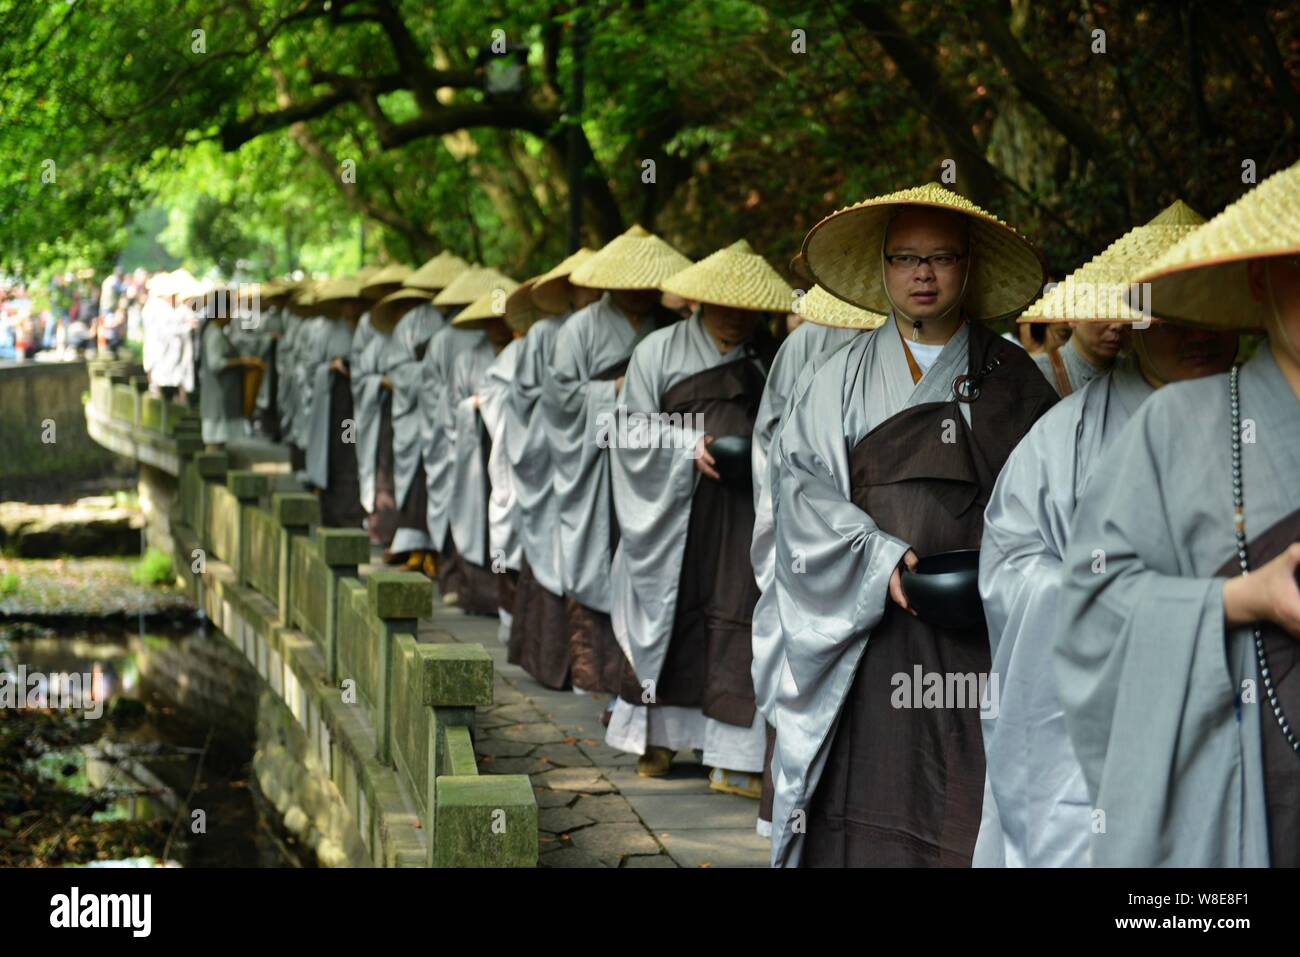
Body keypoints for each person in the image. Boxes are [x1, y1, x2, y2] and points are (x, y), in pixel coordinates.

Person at [767, 183, 1057, 866]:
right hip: (871, 623)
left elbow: (1055, 501)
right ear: (884, 267)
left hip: (981, 631)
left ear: (969, 267)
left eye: (941, 258)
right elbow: (799, 488)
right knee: (869, 795)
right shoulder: (836, 377)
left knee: (967, 798)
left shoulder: (1014, 379)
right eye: (905, 258)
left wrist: (1003, 575)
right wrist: (875, 557)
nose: (923, 274)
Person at [974, 200, 1241, 867]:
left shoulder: (1269, 422)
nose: (1200, 331)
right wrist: (1108, 600)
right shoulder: (1064, 436)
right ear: (1137, 317)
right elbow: (1010, 566)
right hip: (1102, 727)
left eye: (1214, 308)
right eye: (1176, 313)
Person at [1056, 160, 1300, 866]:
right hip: (1238, 789)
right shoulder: (1177, 425)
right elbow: (1092, 608)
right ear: (1257, 278)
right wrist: (1238, 598)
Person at [605, 239, 785, 791]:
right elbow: (624, 428)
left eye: (746, 309)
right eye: (725, 307)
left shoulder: (766, 356)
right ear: (702, 302)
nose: (736, 318)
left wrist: (757, 454)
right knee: (669, 611)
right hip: (671, 511)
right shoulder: (658, 350)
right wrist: (688, 444)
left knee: (738, 614)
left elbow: (788, 426)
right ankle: (655, 738)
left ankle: (730, 756)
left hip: (744, 505)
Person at [750, 284, 885, 835]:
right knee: (810, 662)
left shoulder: (971, 366)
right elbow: (778, 444)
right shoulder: (809, 350)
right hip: (823, 542)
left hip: (907, 561)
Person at [544, 225, 689, 703]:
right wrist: (613, 391)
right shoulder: (580, 328)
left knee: (651, 556)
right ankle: (602, 678)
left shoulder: (670, 329)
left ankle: (642, 681)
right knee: (604, 553)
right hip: (600, 465)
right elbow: (559, 400)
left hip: (655, 464)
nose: (643, 291)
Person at [506, 250, 600, 689]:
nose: (591, 291)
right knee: (554, 545)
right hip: (551, 451)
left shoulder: (605, 327)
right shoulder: (545, 332)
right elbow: (527, 396)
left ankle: (593, 670)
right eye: (581, 284)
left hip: (600, 455)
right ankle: (553, 661)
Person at [446, 281, 523, 633]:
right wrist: (474, 406)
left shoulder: (523, 352)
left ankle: (506, 600)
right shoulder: (466, 358)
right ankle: (478, 594)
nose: (498, 326)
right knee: (477, 515)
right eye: (491, 321)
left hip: (511, 445)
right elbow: (451, 406)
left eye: (502, 319)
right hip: (477, 445)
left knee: (509, 518)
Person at [301, 277, 369, 528]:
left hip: (356, 403)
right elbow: (310, 367)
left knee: (352, 453)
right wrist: (331, 366)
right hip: (334, 402)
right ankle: (333, 512)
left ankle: (351, 511)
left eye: (355, 303)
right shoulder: (328, 331)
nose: (351, 308)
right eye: (347, 303)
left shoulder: (367, 330)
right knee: (337, 453)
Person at [197, 282, 264, 449]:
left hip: (219, 397)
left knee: (218, 444)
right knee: (215, 445)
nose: (232, 315)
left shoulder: (214, 331)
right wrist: (242, 362)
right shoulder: (214, 333)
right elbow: (216, 363)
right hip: (218, 398)